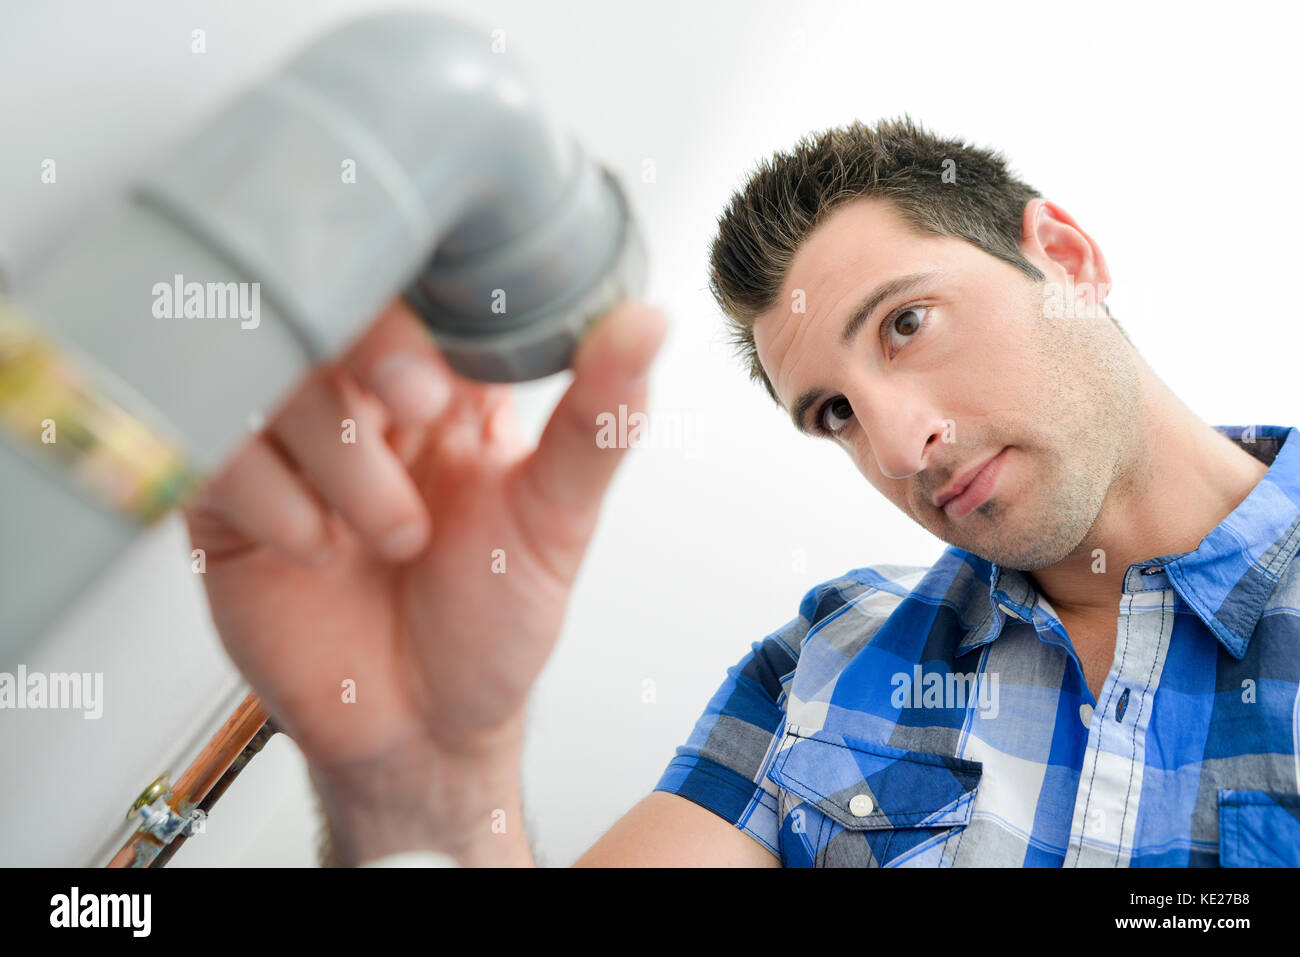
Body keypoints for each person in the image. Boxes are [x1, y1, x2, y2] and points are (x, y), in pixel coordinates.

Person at [185, 115, 1300, 868]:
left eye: (906, 324)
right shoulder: (825, 658)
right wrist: (424, 774)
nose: (903, 444)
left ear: (1064, 257)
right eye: (834, 414)